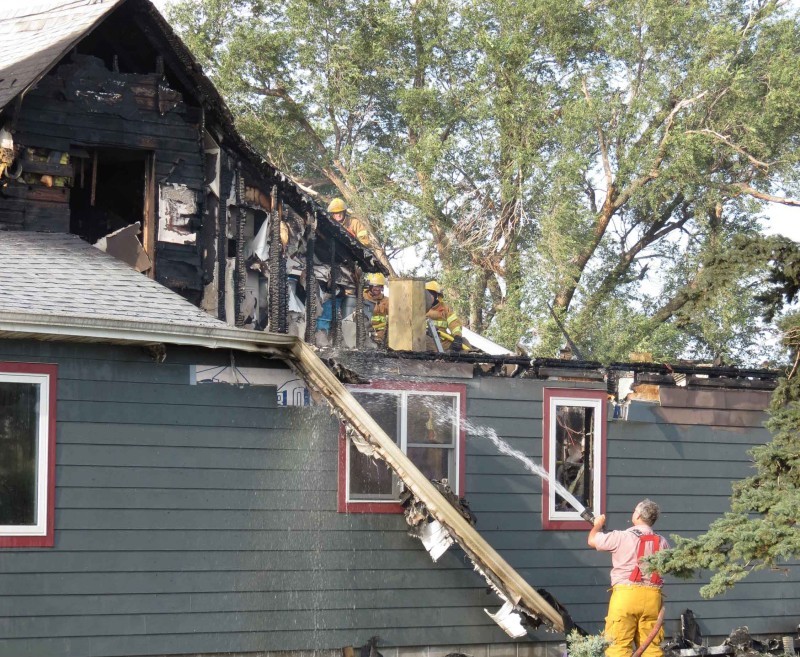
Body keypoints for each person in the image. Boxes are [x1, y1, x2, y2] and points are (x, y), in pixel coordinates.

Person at [588, 500, 670, 657]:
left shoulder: (621, 537)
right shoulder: (663, 542)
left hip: (626, 595)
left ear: (638, 515)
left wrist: (597, 525)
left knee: (618, 646)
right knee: (651, 648)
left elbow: (592, 540)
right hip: (653, 598)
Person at [425, 281, 467, 351]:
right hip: (428, 340)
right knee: (426, 342)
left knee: (465, 342)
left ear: (436, 296)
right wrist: (425, 331)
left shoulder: (445, 308)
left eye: (432, 294)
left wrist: (457, 336)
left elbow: (454, 324)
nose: (429, 297)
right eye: (427, 294)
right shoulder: (419, 308)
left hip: (444, 342)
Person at [363, 272, 389, 345]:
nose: (377, 288)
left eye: (379, 286)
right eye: (375, 286)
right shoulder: (362, 297)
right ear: (370, 286)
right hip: (363, 331)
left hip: (379, 334)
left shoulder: (386, 301)